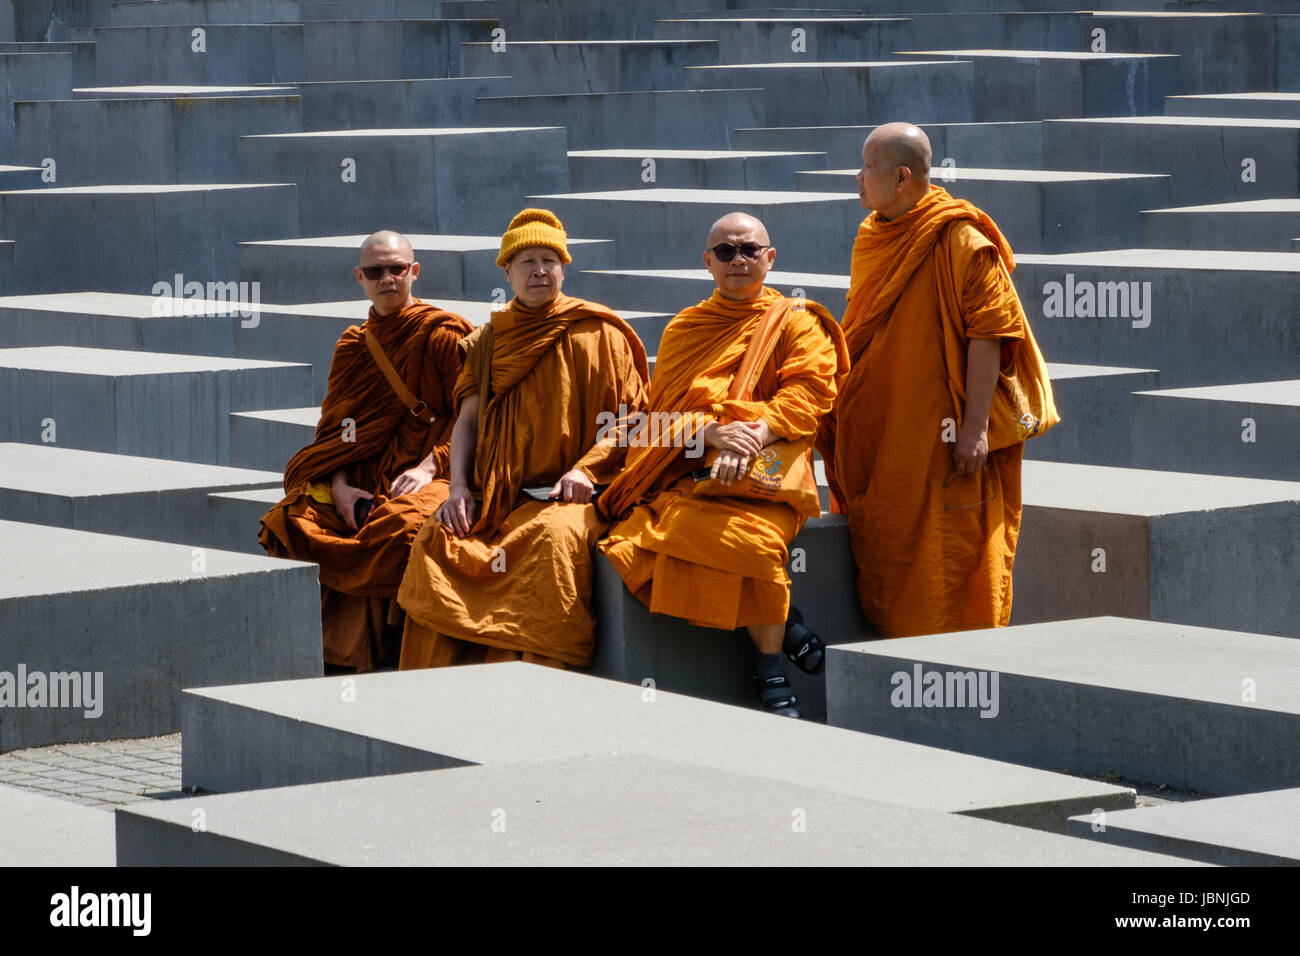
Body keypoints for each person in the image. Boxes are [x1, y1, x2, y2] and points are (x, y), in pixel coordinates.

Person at [597, 213, 848, 718]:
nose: (739, 260)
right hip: (695, 473)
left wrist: (750, 434)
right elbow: (660, 416)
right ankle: (782, 641)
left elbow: (811, 393)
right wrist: (711, 433)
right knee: (658, 539)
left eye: (750, 250)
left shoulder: (797, 321)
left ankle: (768, 664)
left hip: (769, 469)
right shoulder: (686, 328)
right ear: (707, 262)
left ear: (770, 258)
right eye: (726, 252)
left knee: (756, 544)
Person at [820, 121, 1052, 638]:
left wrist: (974, 430)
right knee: (890, 536)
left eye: (867, 168)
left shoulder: (963, 240)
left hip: (943, 432)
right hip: (887, 428)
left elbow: (990, 335)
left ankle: (959, 656)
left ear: (902, 176)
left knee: (951, 546)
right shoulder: (874, 233)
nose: (857, 177)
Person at [396, 208, 649, 669]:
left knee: (551, 543)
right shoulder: (487, 340)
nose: (539, 271)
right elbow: (466, 421)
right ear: (507, 272)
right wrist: (456, 490)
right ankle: (433, 683)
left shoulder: (599, 331)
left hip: (573, 494)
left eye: (549, 260)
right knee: (438, 537)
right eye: (527, 261)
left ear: (563, 268)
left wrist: (585, 469)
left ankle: (534, 678)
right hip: (499, 493)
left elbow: (631, 420)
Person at [259, 231, 473, 670]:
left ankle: (389, 655)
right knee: (297, 517)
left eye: (397, 268)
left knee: (401, 524)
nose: (388, 278)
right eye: (375, 271)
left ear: (414, 271)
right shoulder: (353, 346)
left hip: (440, 468)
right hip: (363, 471)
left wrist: (431, 467)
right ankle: (332, 656)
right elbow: (339, 431)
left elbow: (475, 415)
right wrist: (339, 487)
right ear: (359, 277)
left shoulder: (443, 334)